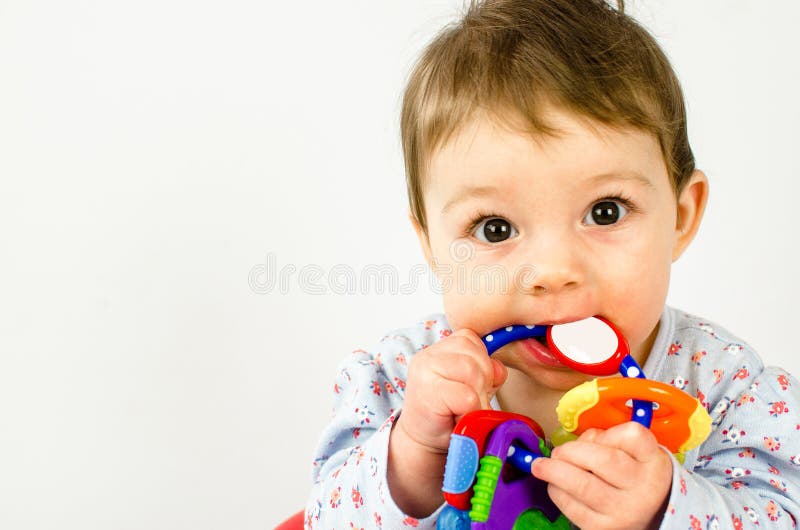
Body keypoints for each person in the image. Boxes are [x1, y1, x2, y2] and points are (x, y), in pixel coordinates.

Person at [304, 0, 800, 528]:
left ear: (680, 216)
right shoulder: (400, 377)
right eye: (495, 228)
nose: (553, 270)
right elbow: (321, 519)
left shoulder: (725, 387)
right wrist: (410, 458)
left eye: (605, 212)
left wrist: (665, 508)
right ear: (430, 243)